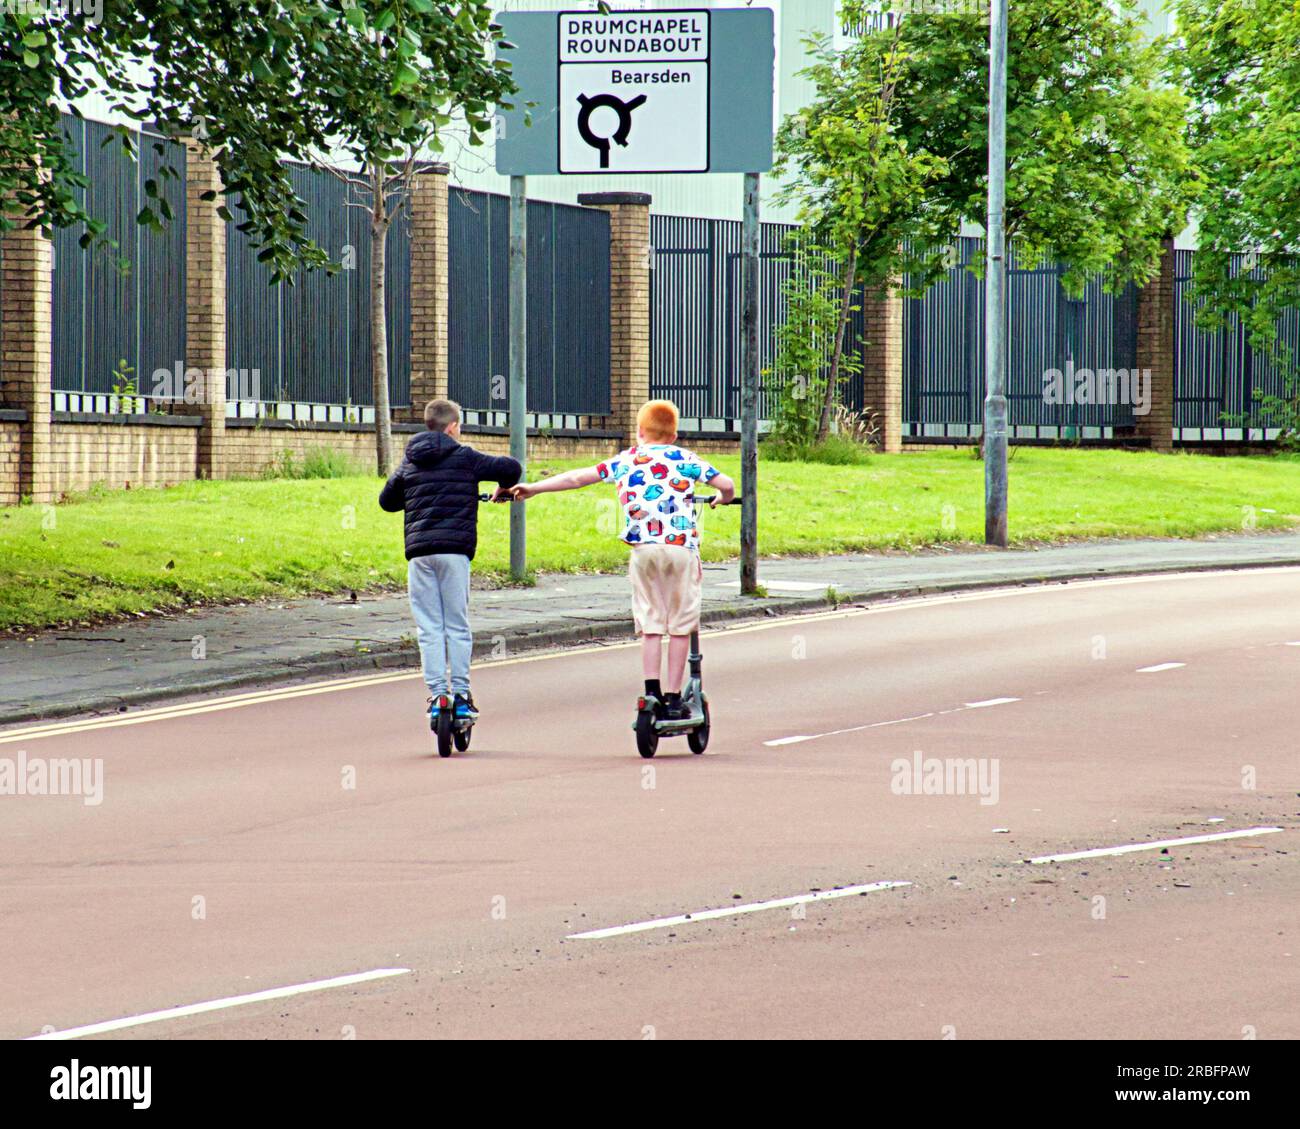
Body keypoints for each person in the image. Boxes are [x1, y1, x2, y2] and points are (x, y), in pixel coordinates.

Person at [510, 399, 735, 719]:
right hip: (680, 549)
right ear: (673, 435)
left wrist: (534, 488)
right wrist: (720, 499)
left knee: (651, 623)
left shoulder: (626, 459)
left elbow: (577, 478)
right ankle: (674, 699)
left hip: (643, 550)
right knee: (681, 625)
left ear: (640, 431)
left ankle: (651, 692)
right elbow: (726, 484)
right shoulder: (687, 459)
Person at [379, 398, 521, 724]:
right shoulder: (465, 456)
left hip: (420, 554)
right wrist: (501, 489)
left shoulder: (410, 460)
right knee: (456, 625)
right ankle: (460, 696)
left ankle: (437, 695)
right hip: (454, 551)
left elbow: (387, 501)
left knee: (429, 627)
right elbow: (511, 468)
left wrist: (416, 492)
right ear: (454, 426)